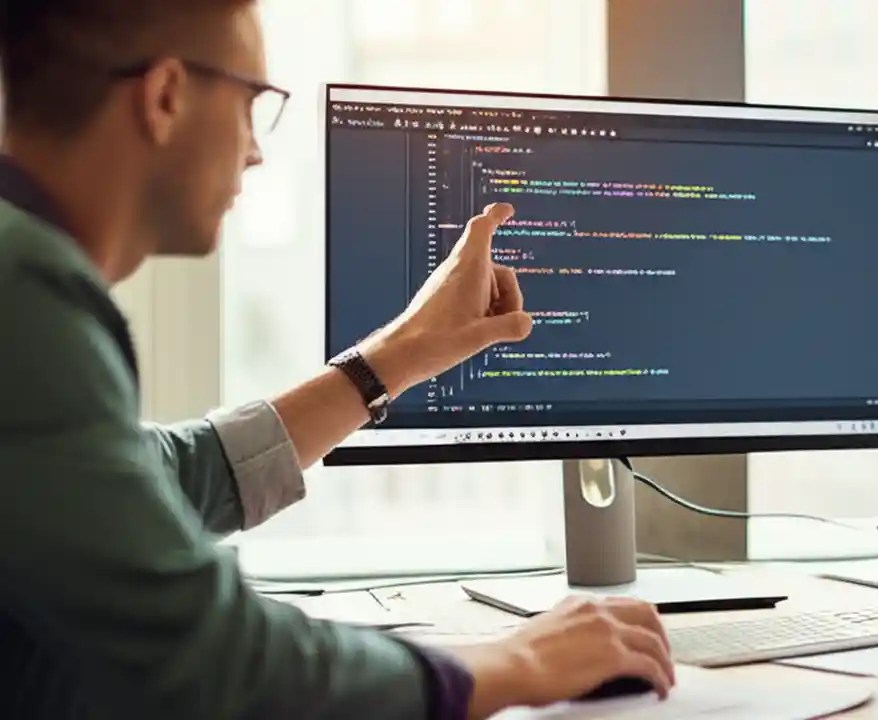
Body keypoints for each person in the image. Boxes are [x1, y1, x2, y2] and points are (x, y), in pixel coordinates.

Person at [0, 1, 676, 718]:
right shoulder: (25, 294)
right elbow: (208, 658)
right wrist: (516, 660)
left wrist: (396, 355)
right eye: (252, 100)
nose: (256, 151)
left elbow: (155, 482)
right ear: (165, 96)